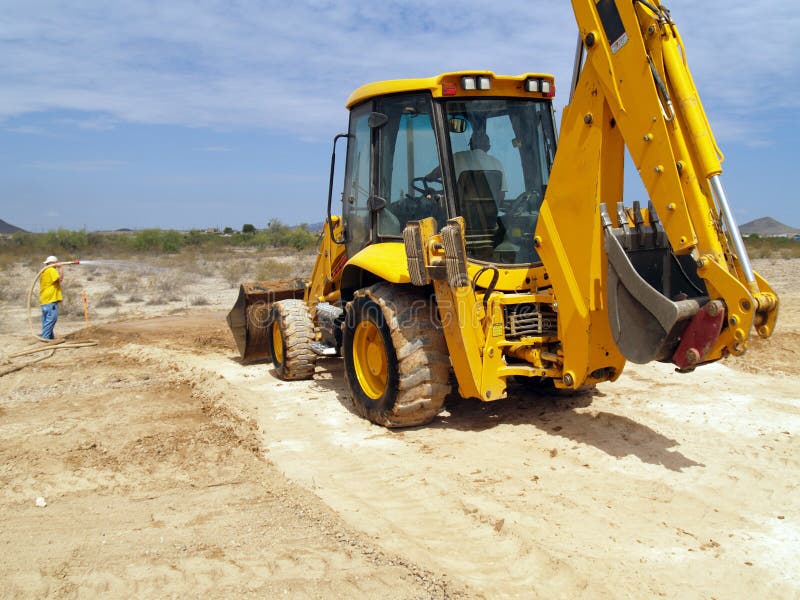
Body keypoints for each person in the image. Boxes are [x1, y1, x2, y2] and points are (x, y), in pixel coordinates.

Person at [40, 255, 63, 340]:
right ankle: (45, 338)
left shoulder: (45, 271)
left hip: (44, 299)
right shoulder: (51, 270)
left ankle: (50, 337)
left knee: (46, 319)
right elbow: (59, 279)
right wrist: (60, 268)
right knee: (52, 318)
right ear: (54, 263)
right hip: (50, 298)